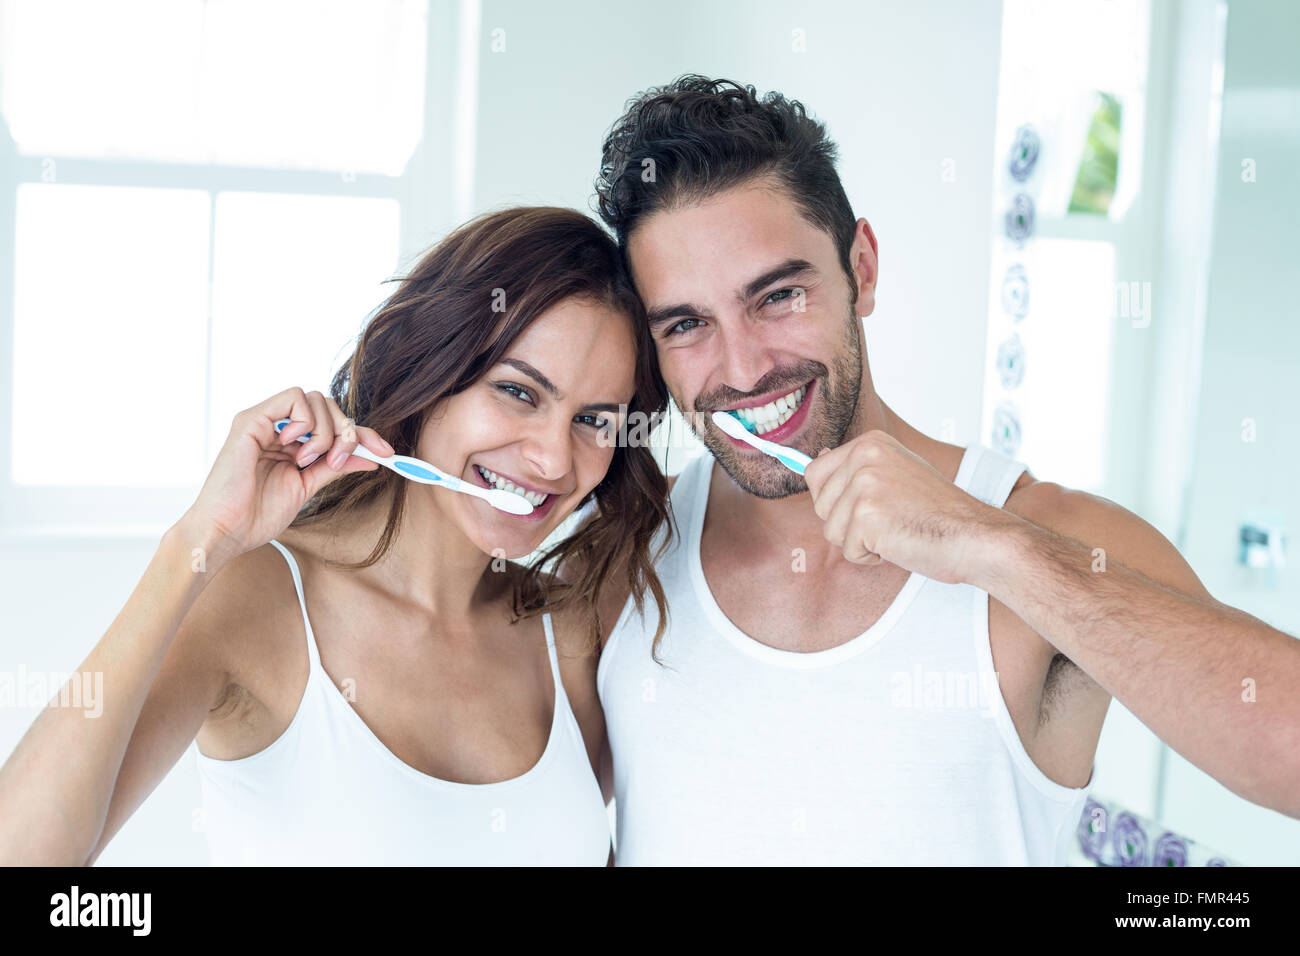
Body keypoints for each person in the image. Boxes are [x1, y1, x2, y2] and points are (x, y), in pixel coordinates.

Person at [590, 76, 1300, 865]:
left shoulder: (1051, 535)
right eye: (688, 324)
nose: (745, 368)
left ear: (861, 267)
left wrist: (984, 542)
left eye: (779, 296)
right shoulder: (624, 559)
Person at [0, 206, 670, 866]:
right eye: (519, 393)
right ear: (431, 370)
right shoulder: (253, 599)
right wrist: (198, 540)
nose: (554, 460)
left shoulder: (570, 633)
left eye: (594, 420)